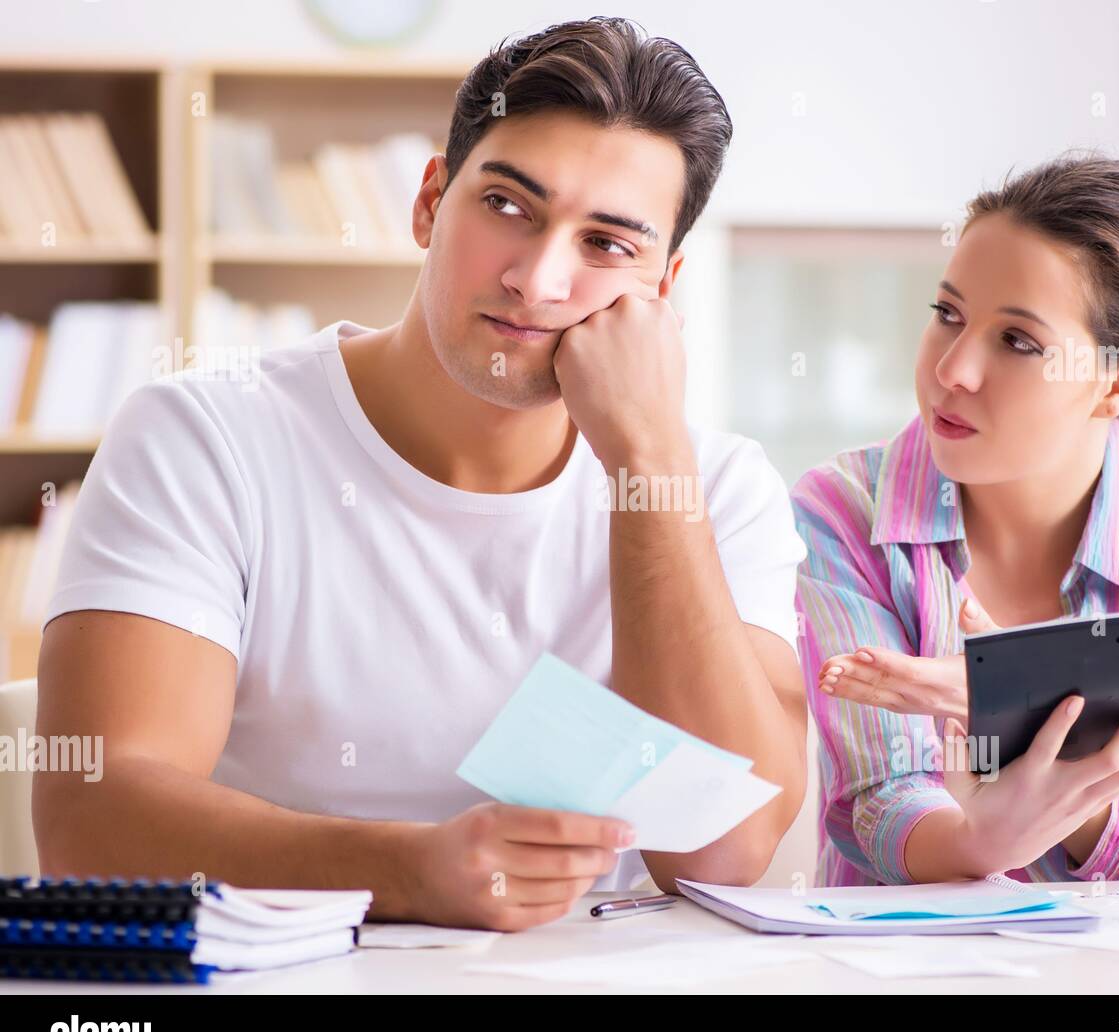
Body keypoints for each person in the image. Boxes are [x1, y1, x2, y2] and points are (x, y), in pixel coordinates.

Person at [34, 17, 808, 931]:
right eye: (509, 207)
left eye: (606, 245)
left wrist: (646, 457)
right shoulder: (201, 436)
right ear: (430, 201)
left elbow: (724, 852)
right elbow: (91, 821)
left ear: (663, 288)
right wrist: (405, 870)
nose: (538, 278)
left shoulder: (715, 485)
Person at [794, 154, 1119, 886]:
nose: (952, 370)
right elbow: (873, 803)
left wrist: (1023, 721)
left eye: (1018, 341)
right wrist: (978, 841)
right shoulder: (841, 509)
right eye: (948, 315)